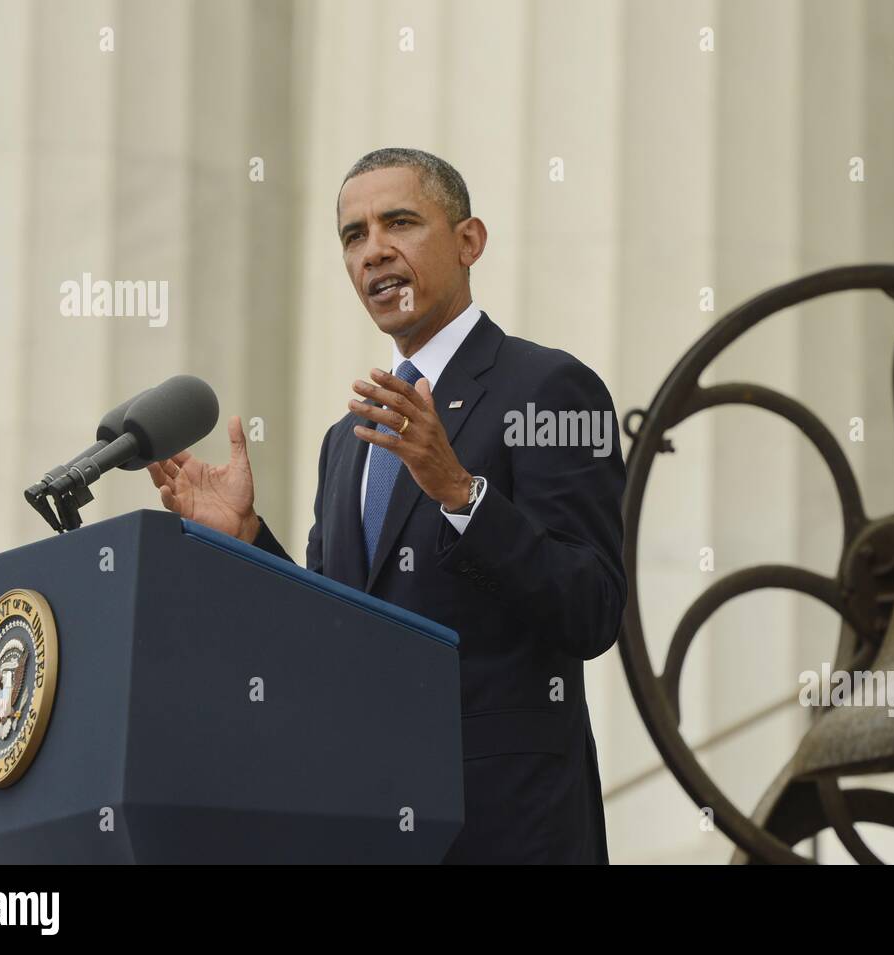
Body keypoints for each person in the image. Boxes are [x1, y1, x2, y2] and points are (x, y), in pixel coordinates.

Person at [146, 147, 626, 864]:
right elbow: (333, 635)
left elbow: (592, 605)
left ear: (470, 241)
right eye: (353, 235)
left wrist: (462, 494)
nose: (374, 251)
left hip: (508, 827)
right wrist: (247, 541)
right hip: (371, 827)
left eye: (399, 222)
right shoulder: (347, 442)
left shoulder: (546, 388)